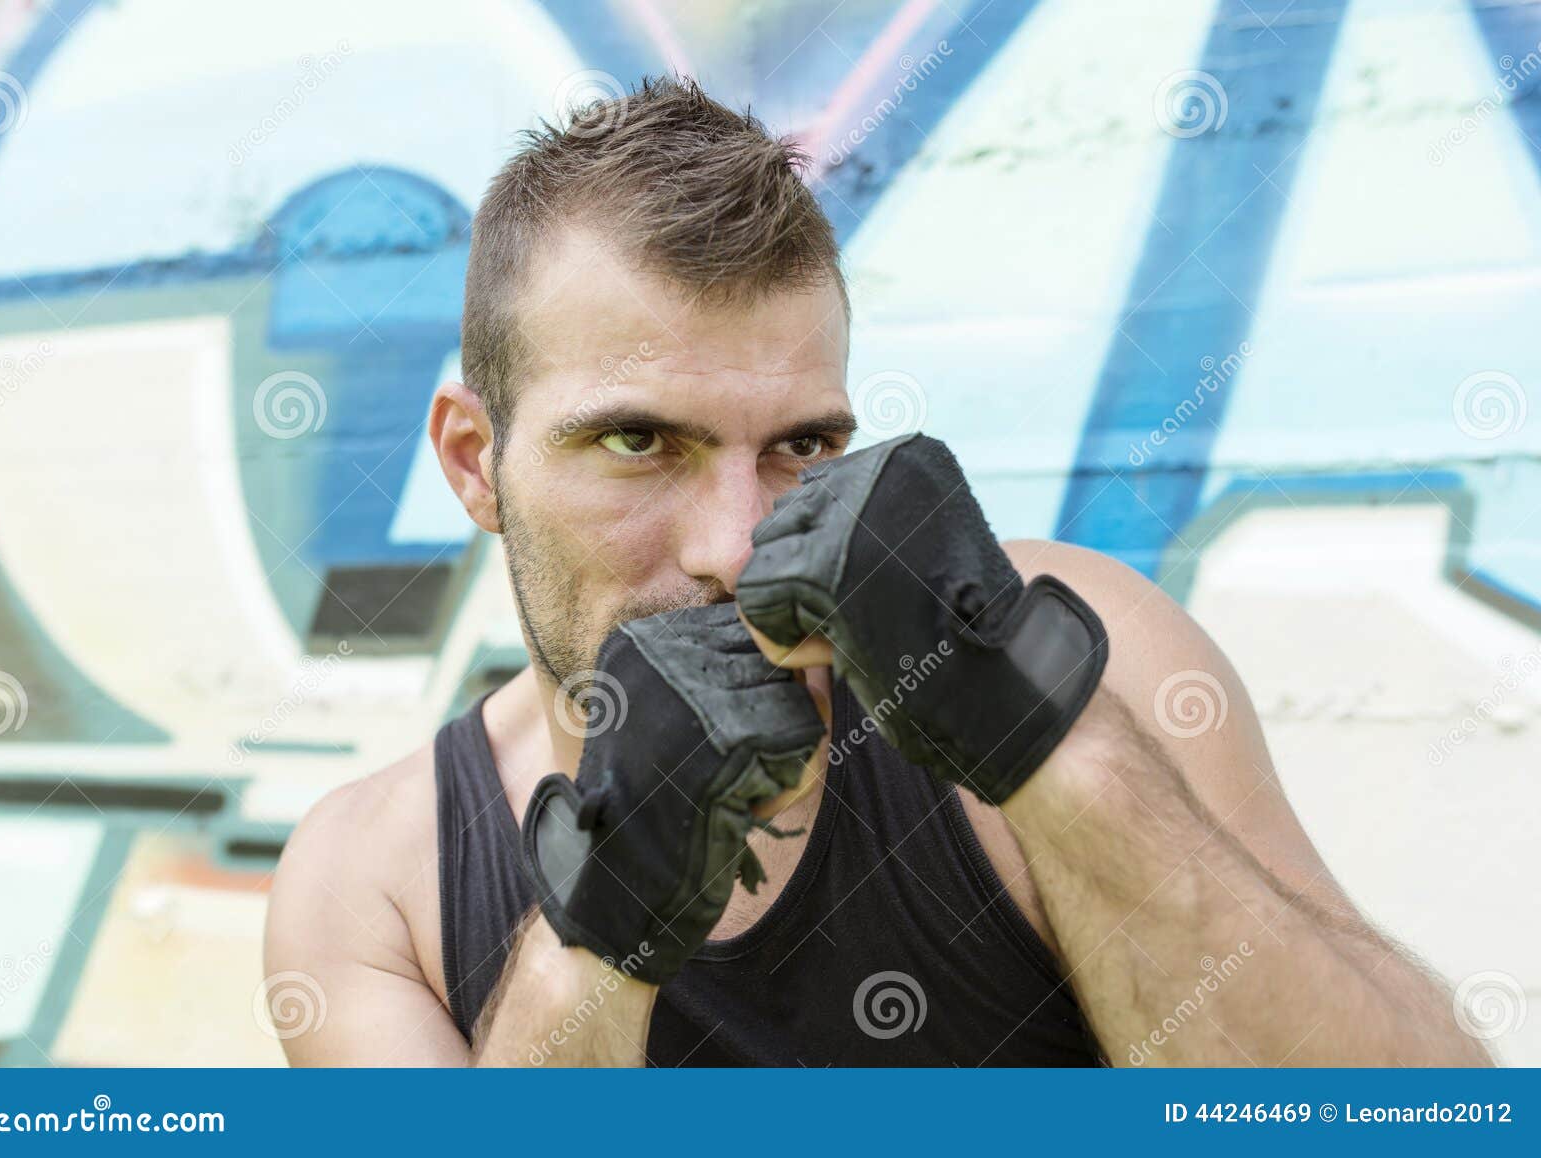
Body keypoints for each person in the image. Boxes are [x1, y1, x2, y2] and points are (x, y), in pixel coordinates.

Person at [264, 75, 1488, 1067]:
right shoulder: (374, 882)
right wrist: (605, 907)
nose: (733, 548)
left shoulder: (1084, 649)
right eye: (638, 443)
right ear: (475, 462)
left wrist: (1047, 747)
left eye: (800, 447)